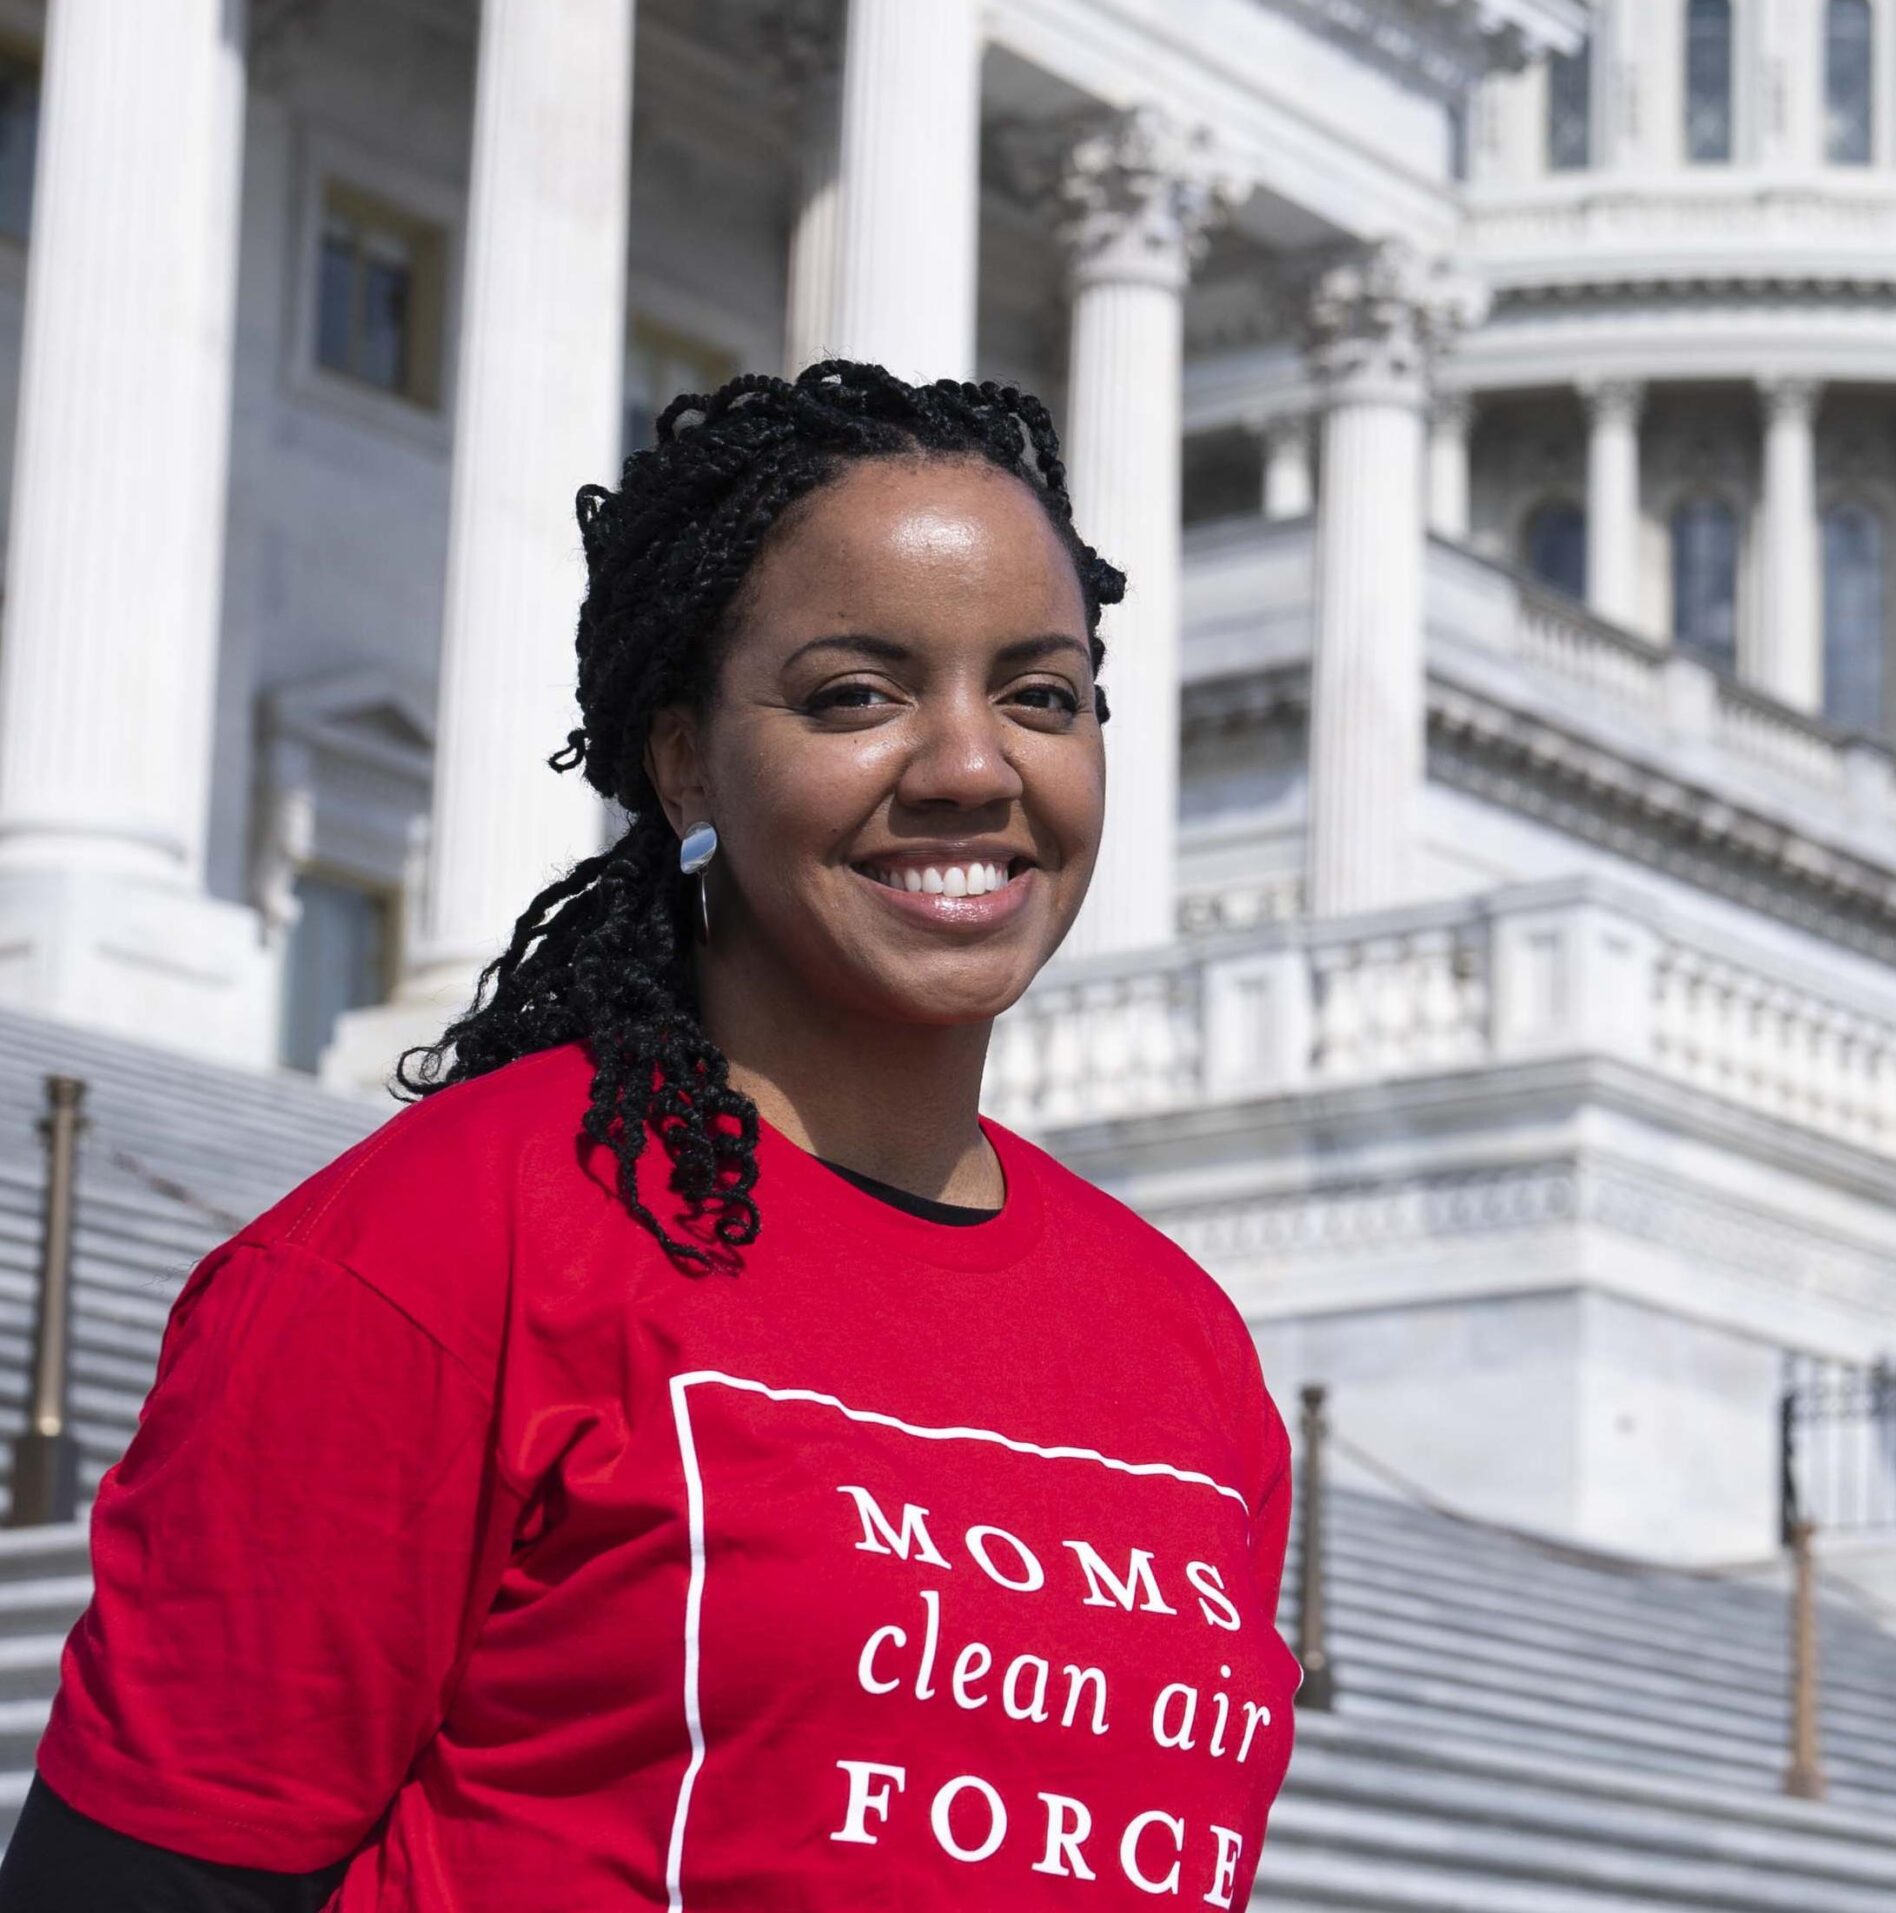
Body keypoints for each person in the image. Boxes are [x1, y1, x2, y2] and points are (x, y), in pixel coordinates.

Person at [0, 362, 1300, 1910]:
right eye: (856, 694)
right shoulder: (443, 1244)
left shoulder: (1187, 1347)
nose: (971, 766)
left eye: (1042, 694)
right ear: (685, 763)